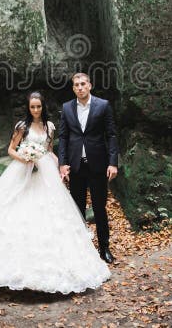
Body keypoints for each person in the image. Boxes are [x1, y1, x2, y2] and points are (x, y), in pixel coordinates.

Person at [0, 91, 110, 294]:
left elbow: (49, 150)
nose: (35, 110)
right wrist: (25, 158)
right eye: (32, 107)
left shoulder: (49, 126)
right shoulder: (22, 126)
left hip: (45, 172)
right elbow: (11, 149)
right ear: (28, 108)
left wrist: (60, 166)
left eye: (38, 106)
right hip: (23, 170)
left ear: (43, 107)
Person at [58, 73, 119, 264]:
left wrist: (113, 162)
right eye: (76, 85)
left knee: (99, 208)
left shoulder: (103, 105)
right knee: (77, 210)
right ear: (73, 88)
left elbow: (111, 135)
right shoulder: (67, 108)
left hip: (98, 165)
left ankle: (104, 248)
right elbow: (63, 137)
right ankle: (81, 250)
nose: (80, 87)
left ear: (90, 85)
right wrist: (62, 163)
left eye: (83, 84)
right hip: (76, 166)